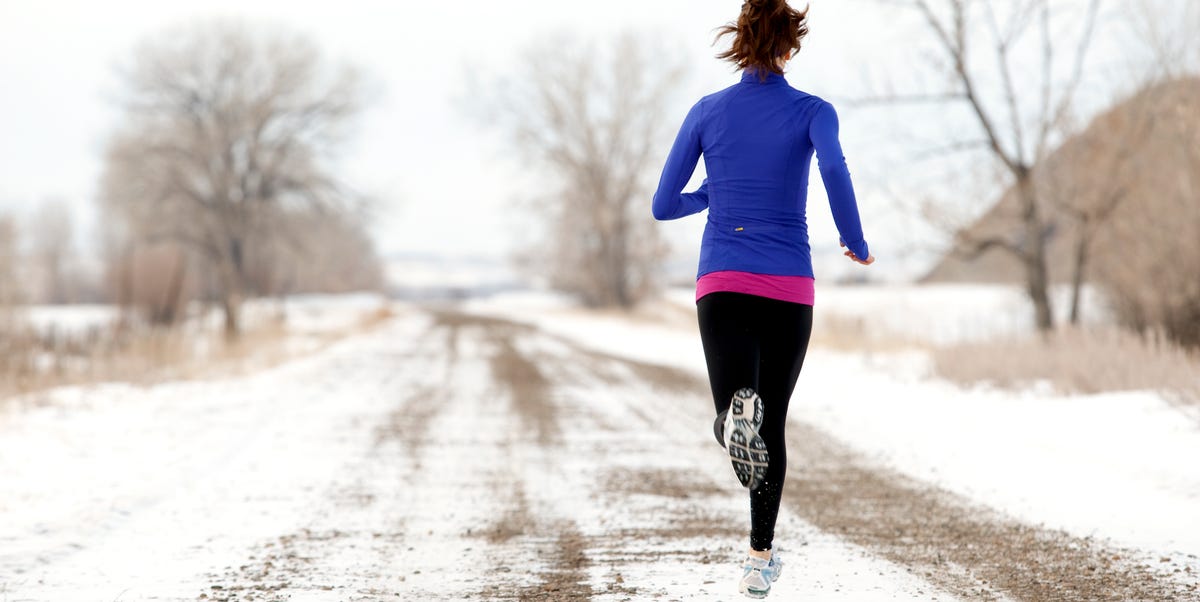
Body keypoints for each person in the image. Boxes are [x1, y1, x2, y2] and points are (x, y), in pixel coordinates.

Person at [651, 0, 875, 598]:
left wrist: (710, 195)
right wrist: (854, 241)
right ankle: (758, 558)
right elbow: (834, 169)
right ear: (790, 44)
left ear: (741, 41)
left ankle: (727, 421)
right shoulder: (814, 111)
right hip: (788, 285)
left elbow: (663, 204)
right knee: (770, 421)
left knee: (739, 415)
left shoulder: (707, 111)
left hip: (723, 281)